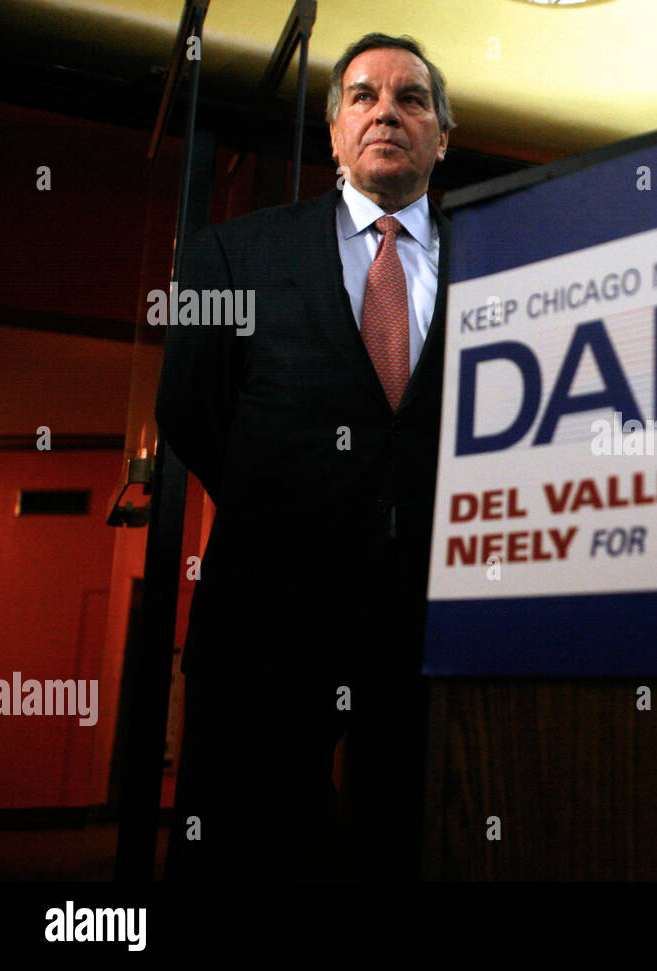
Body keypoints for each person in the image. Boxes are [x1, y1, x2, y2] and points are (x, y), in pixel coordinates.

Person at [155, 32, 453, 880]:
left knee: (408, 841)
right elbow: (188, 408)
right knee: (242, 851)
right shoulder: (232, 254)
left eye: (411, 98)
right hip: (266, 614)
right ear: (332, 133)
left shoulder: (504, 264)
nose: (387, 111)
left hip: (431, 622)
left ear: (441, 136)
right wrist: (297, 507)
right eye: (362, 96)